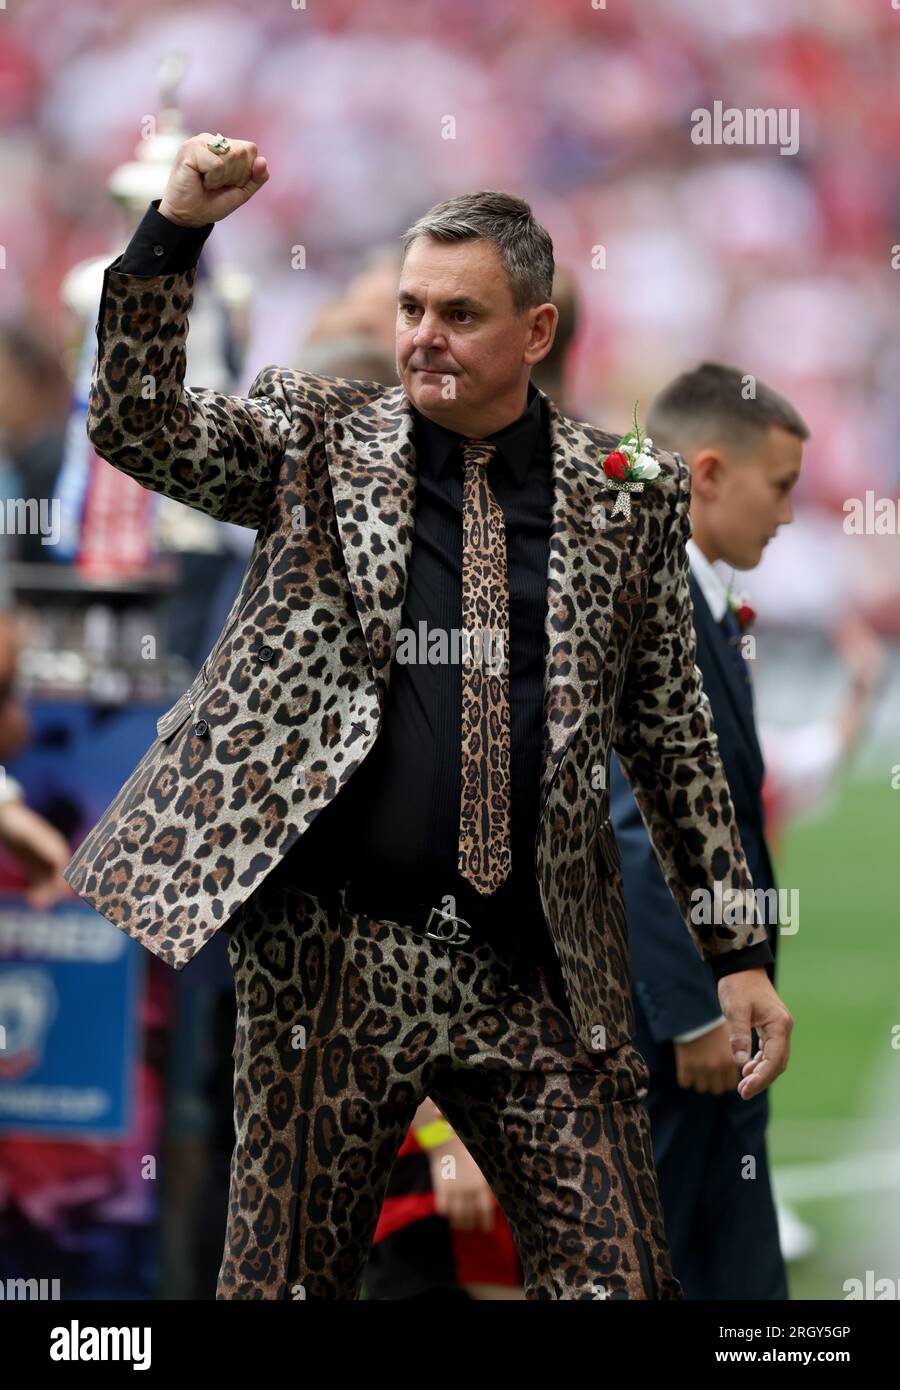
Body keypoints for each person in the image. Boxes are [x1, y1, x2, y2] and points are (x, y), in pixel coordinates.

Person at [63, 133, 792, 1301]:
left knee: (622, 1283)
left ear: (537, 333)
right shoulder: (316, 440)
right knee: (281, 1285)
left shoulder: (630, 494)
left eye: (458, 312)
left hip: (543, 968)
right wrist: (173, 232)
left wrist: (739, 949)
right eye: (410, 307)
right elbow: (134, 422)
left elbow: (674, 739)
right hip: (339, 959)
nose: (422, 336)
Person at [609, 361, 807, 1299]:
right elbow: (636, 818)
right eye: (781, 488)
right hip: (682, 1026)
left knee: (734, 1271)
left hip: (718, 1014)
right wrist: (693, 1004)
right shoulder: (651, 601)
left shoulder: (700, 599)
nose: (789, 515)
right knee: (675, 1264)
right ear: (711, 472)